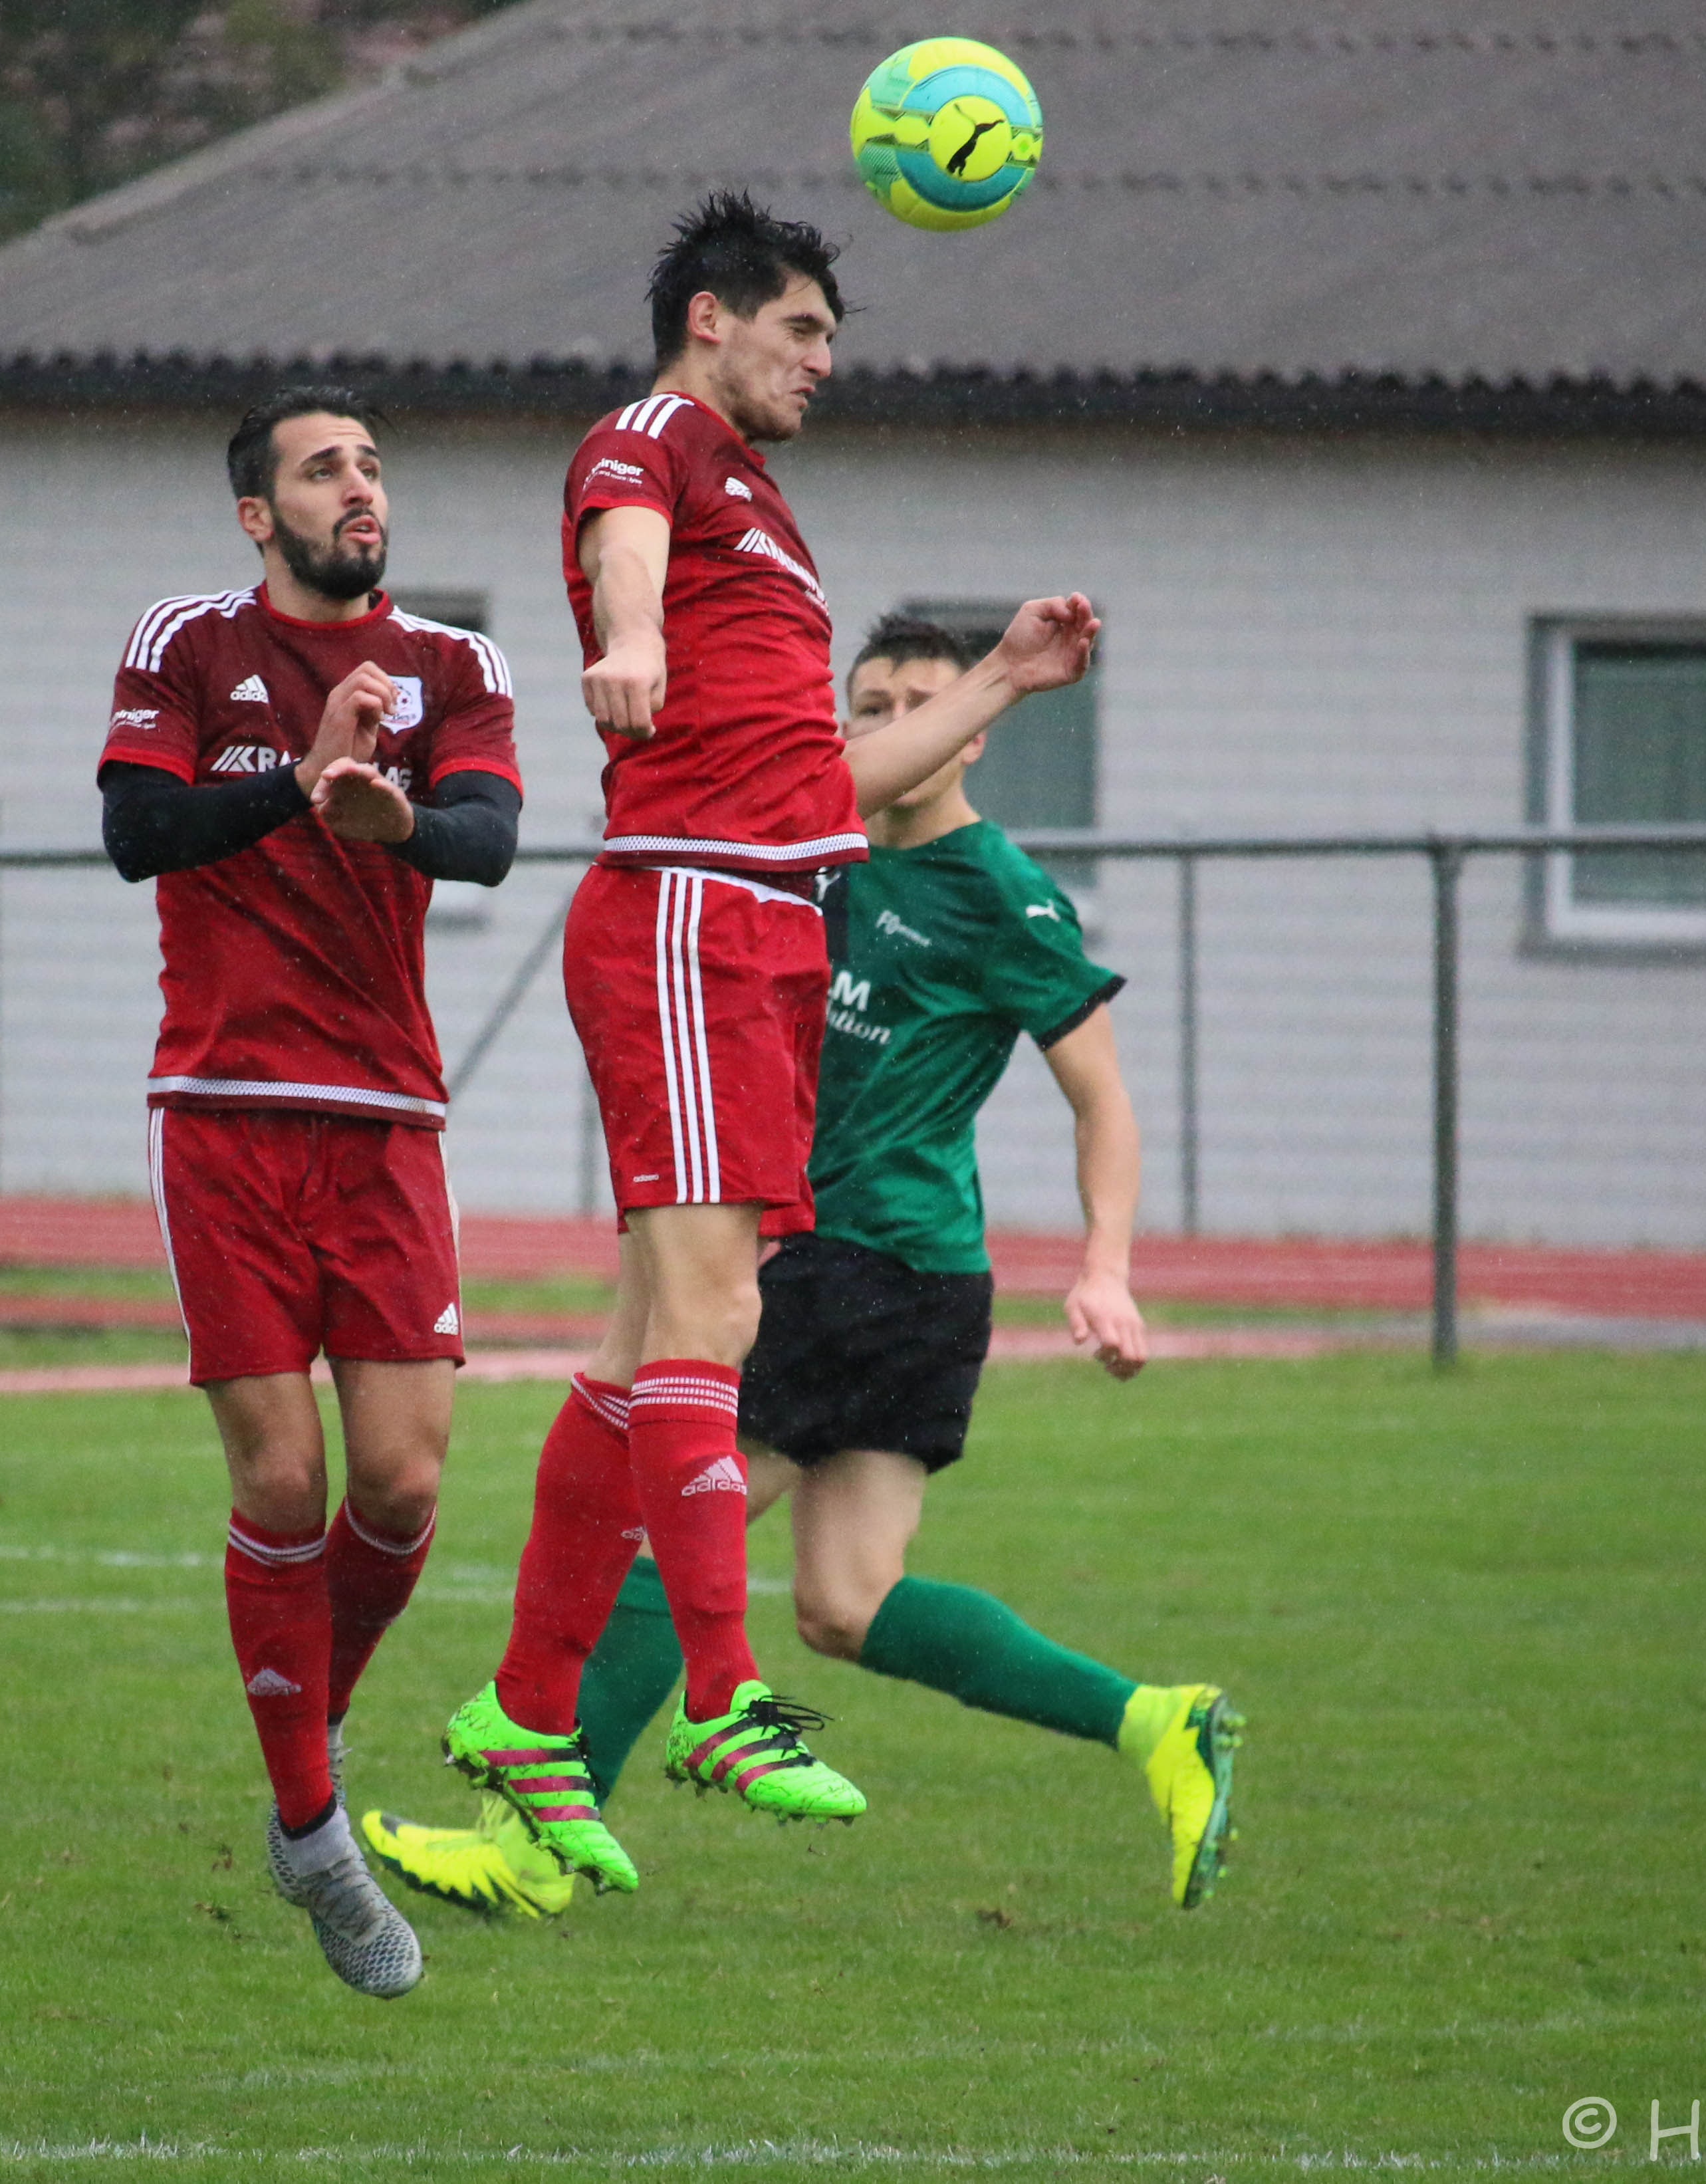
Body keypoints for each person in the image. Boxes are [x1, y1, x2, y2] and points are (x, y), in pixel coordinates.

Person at [372, 615, 1243, 1919]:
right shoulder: (806, 859)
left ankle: (531, 1844)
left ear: (973, 729)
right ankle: (1156, 1723)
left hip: (858, 1264)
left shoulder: (1000, 891)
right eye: (867, 705)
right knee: (847, 1600)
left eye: (917, 704)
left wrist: (1105, 1266)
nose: (886, 726)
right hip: (892, 1279)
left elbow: (1102, 1098)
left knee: (665, 1523)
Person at [438, 192, 1102, 1897]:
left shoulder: (772, 520)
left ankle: (529, 1710)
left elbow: (829, 784)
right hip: (691, 911)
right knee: (715, 1319)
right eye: (801, 328)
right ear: (713, 318)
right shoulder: (656, 439)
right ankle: (725, 1694)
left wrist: (1002, 681)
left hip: (767, 926)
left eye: (828, 338)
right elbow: (619, 532)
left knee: (641, 1342)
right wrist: (633, 633)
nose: (821, 361)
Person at [98, 386, 524, 1998]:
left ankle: (307, 1724)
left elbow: (488, 836)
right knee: (283, 1480)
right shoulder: (187, 642)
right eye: (324, 466)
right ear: (256, 513)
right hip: (222, 1113)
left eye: (371, 464)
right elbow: (138, 828)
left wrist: (393, 816)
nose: (360, 485)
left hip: (386, 1118)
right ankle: (311, 1828)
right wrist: (297, 783)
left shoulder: (453, 665)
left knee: (400, 1485)